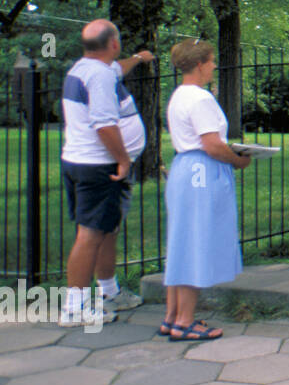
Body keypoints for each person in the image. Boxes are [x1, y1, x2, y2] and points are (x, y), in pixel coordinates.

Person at [58, 19, 154, 327]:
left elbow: (119, 68)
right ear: (113, 43)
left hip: (81, 162)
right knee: (89, 234)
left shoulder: (86, 68)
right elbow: (104, 124)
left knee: (106, 228)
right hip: (99, 166)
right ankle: (74, 308)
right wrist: (123, 160)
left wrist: (139, 59)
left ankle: (109, 292)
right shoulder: (99, 76)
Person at [162, 39, 251, 340]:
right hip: (201, 171)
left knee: (181, 242)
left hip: (183, 170)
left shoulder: (178, 95)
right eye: (211, 60)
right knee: (196, 243)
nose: (215, 65)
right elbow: (211, 144)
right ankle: (185, 321)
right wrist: (238, 160)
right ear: (199, 64)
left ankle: (172, 316)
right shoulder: (200, 99)